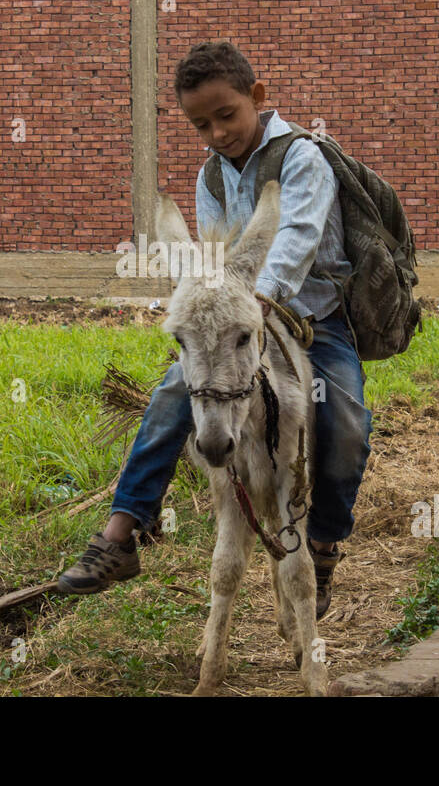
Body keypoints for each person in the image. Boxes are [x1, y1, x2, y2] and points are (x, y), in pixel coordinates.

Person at [56, 41, 374, 619]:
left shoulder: (302, 158)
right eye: (200, 124)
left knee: (344, 421)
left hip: (310, 322)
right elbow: (212, 264)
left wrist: (254, 300)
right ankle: (121, 533)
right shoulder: (211, 177)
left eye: (226, 116)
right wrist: (220, 309)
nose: (217, 133)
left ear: (257, 97)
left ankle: (323, 548)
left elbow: (296, 241)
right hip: (234, 326)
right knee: (173, 397)